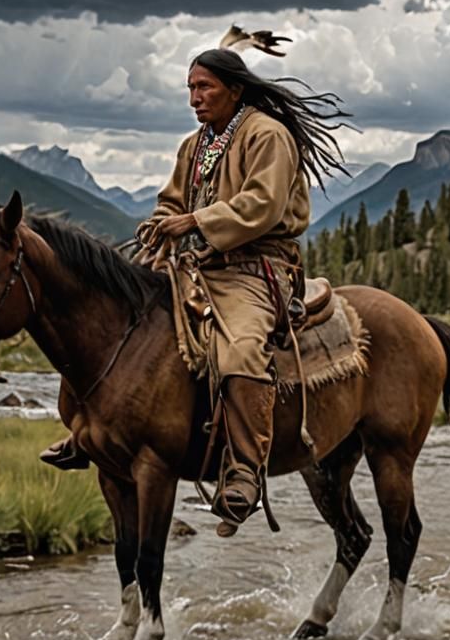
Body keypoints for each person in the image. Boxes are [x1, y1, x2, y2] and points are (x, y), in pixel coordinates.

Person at [44, 48, 350, 535]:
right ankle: (88, 432)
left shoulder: (268, 135)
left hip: (255, 268)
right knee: (112, 320)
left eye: (204, 87)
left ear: (235, 89)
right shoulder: (196, 144)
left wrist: (198, 220)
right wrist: (163, 224)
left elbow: (264, 205)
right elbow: (172, 201)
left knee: (242, 348)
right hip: (198, 263)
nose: (194, 98)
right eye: (189, 88)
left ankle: (245, 468)